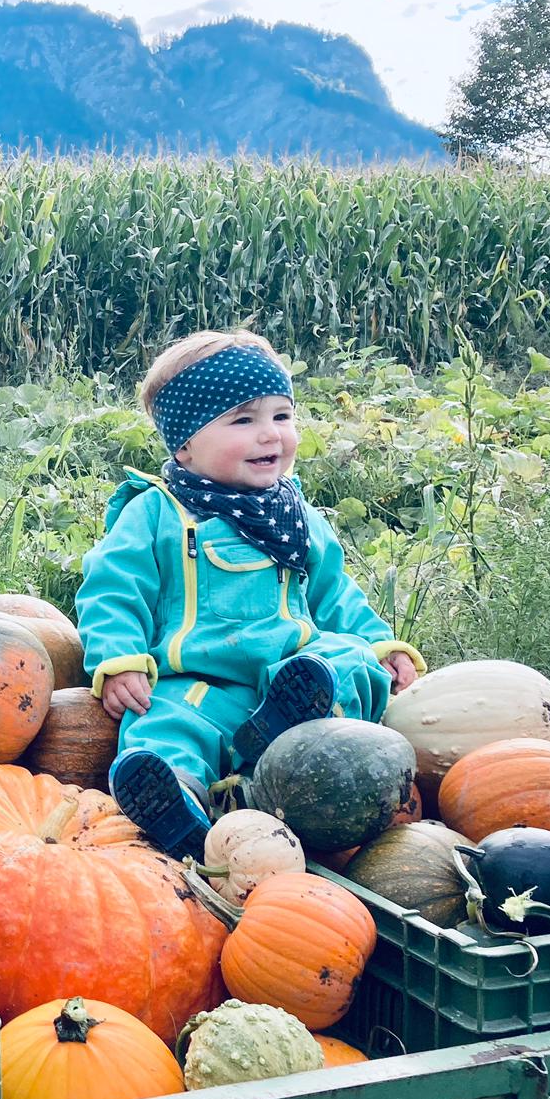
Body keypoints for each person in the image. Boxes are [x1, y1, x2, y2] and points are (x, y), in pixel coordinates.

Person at [75, 331, 423, 857]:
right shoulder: (157, 513)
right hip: (204, 683)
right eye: (244, 420)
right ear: (185, 444)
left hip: (299, 671)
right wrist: (119, 657)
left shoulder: (296, 516)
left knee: (351, 660)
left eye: (282, 416)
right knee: (165, 723)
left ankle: (296, 715)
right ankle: (178, 805)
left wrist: (381, 643)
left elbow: (335, 595)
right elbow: (112, 587)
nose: (270, 435)